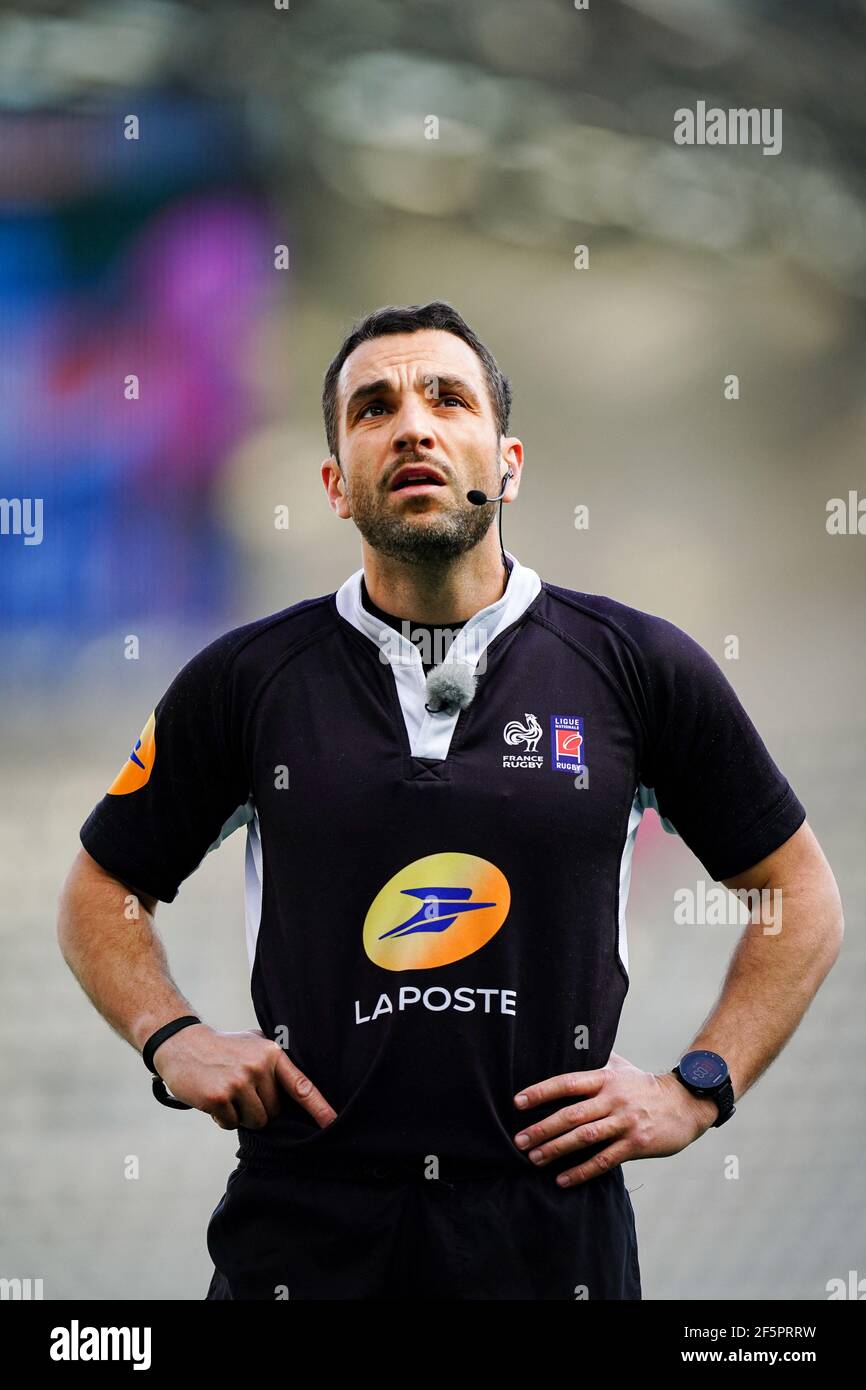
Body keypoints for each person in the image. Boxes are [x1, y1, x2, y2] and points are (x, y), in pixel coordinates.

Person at [58, 301, 844, 1301]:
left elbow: (798, 893)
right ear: (337, 483)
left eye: (445, 398)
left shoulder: (636, 668)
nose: (413, 425)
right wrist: (171, 1037)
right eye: (374, 406)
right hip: (303, 1231)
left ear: (507, 462)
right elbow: (101, 884)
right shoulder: (246, 681)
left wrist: (696, 1087)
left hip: (547, 1236)